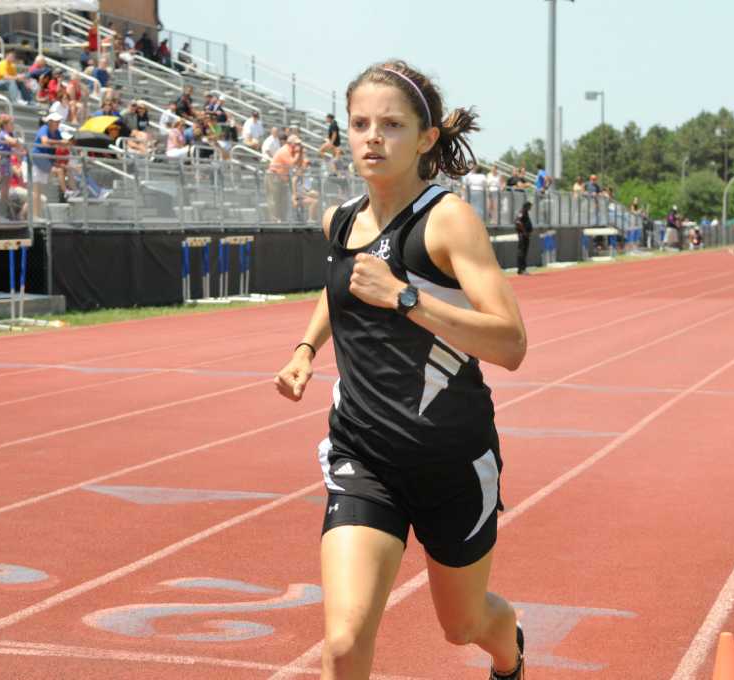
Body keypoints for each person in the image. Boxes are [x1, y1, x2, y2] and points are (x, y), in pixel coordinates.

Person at [273, 60, 527, 680]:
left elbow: (511, 343)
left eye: (391, 125)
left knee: (462, 625)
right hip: (364, 456)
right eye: (360, 123)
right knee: (343, 642)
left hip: (451, 461)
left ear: (425, 138)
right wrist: (306, 348)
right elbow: (342, 285)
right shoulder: (340, 221)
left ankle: (510, 653)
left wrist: (406, 298)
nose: (373, 137)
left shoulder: (448, 221)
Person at [515, 200, 533, 275]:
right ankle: (522, 269)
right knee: (522, 252)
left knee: (524, 252)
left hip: (525, 235)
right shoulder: (522, 212)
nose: (530, 208)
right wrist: (524, 231)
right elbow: (518, 222)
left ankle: (521, 269)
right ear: (526, 206)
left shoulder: (525, 212)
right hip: (523, 235)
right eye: (529, 206)